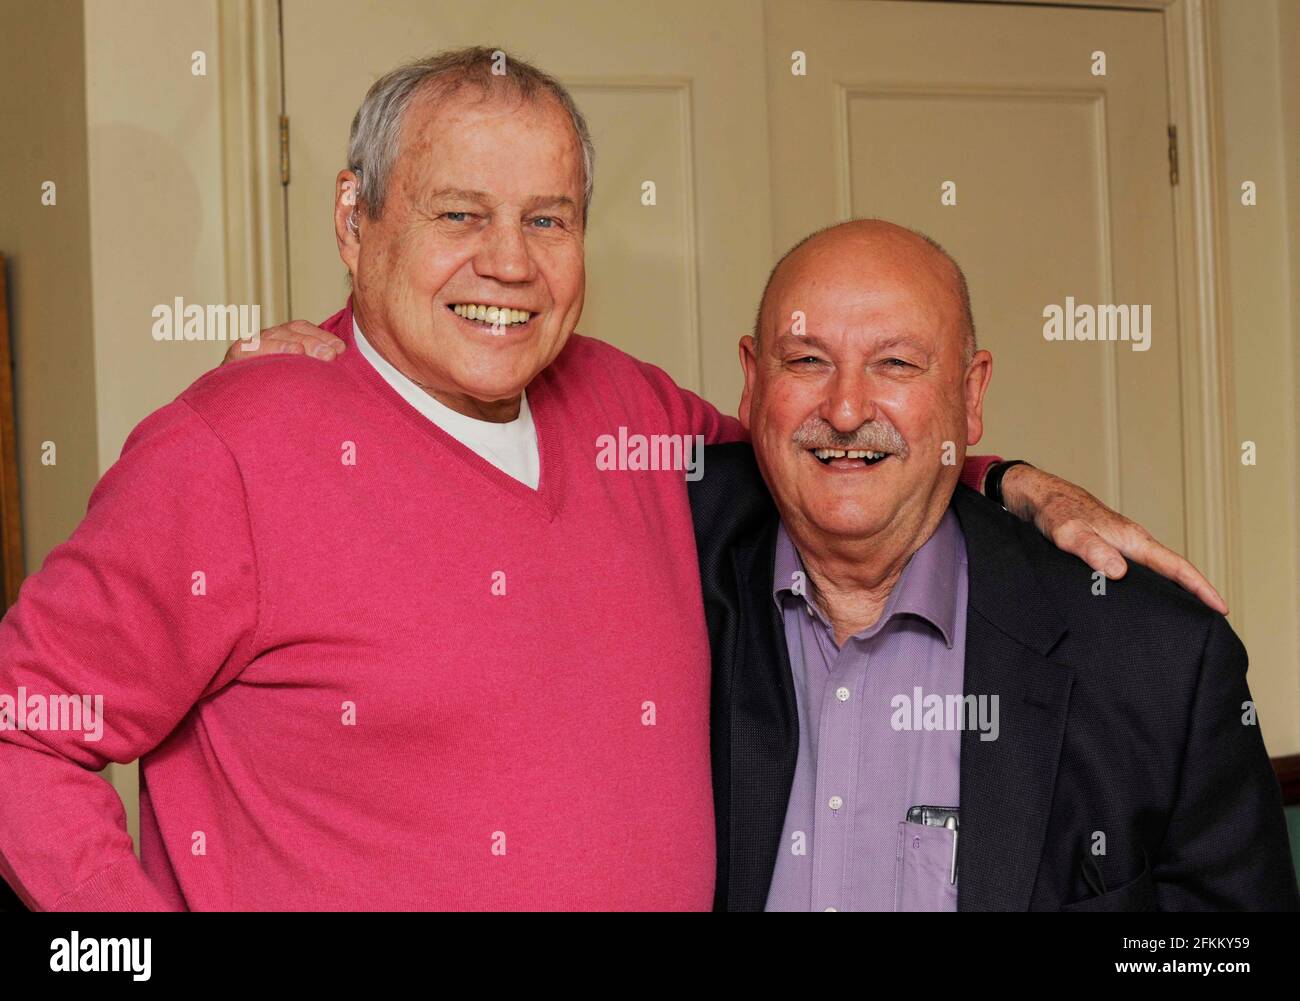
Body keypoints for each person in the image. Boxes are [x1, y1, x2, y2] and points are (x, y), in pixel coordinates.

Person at [0, 48, 1221, 911]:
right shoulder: (232, 448)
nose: (507, 263)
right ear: (353, 216)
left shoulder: (628, 413)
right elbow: (23, 730)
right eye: (458, 213)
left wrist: (1008, 474)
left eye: (548, 218)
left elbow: (835, 449)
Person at [692, 220, 1299, 911]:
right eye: (806, 361)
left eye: (896, 363)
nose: (846, 407)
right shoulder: (666, 577)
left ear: (971, 394)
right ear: (750, 381)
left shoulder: (1159, 660)